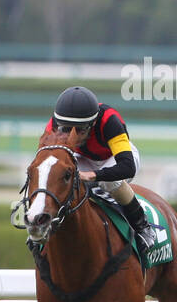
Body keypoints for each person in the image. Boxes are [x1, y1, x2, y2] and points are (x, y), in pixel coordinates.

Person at [43, 86, 161, 252]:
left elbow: (128, 167)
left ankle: (142, 226)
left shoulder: (109, 120)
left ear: (92, 124)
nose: (72, 136)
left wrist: (93, 175)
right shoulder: (55, 124)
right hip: (82, 157)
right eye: (67, 129)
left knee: (108, 182)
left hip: (114, 157)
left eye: (80, 130)